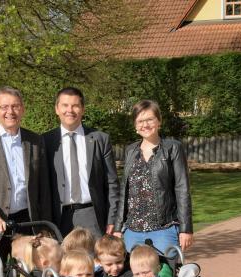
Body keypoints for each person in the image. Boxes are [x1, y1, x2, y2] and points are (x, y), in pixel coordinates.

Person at [0, 86, 52, 259]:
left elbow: (43, 186)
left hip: (28, 221)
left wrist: (45, 224)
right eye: (4, 107)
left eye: (15, 106)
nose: (10, 112)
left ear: (22, 109)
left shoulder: (35, 141)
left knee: (29, 275)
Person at [113, 100, 193, 255]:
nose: (145, 124)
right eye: (140, 121)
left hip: (164, 229)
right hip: (132, 231)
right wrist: (118, 228)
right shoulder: (130, 151)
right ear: (135, 125)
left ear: (159, 121)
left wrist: (186, 229)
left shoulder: (172, 148)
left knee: (166, 276)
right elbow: (124, 191)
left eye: (150, 119)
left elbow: (182, 189)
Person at [43, 87, 119, 239]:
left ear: (83, 109)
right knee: (64, 263)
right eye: (65, 105)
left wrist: (113, 219)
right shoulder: (45, 141)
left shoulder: (99, 139)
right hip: (59, 218)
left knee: (96, 262)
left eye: (75, 105)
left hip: (93, 215)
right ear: (57, 109)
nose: (70, 110)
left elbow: (112, 183)